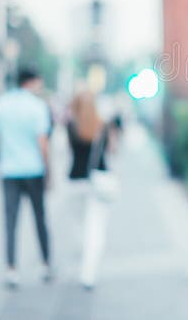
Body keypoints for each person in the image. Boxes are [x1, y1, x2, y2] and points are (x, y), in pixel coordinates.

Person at [0, 67, 53, 289]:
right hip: (33, 170)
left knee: (10, 221)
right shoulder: (38, 106)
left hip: (9, 170)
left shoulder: (0, 105)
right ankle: (45, 263)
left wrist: (2, 160)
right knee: (40, 218)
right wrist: (48, 170)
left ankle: (11, 269)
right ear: (32, 81)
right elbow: (42, 143)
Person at [66, 87, 117, 290]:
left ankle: (84, 260)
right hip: (98, 180)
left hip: (76, 181)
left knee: (80, 227)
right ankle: (88, 273)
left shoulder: (71, 125)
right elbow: (112, 150)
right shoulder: (102, 125)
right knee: (95, 229)